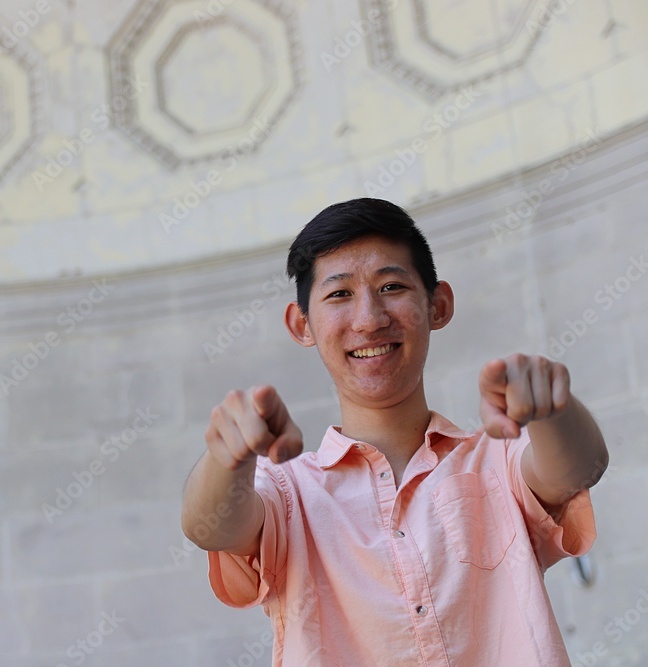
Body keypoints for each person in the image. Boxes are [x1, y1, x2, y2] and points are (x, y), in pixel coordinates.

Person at [180, 198, 608, 666]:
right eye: (339, 294)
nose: (369, 319)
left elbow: (578, 469)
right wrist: (228, 455)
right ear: (302, 324)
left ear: (438, 304)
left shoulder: (498, 462)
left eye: (391, 286)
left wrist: (553, 408)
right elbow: (211, 526)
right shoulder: (287, 491)